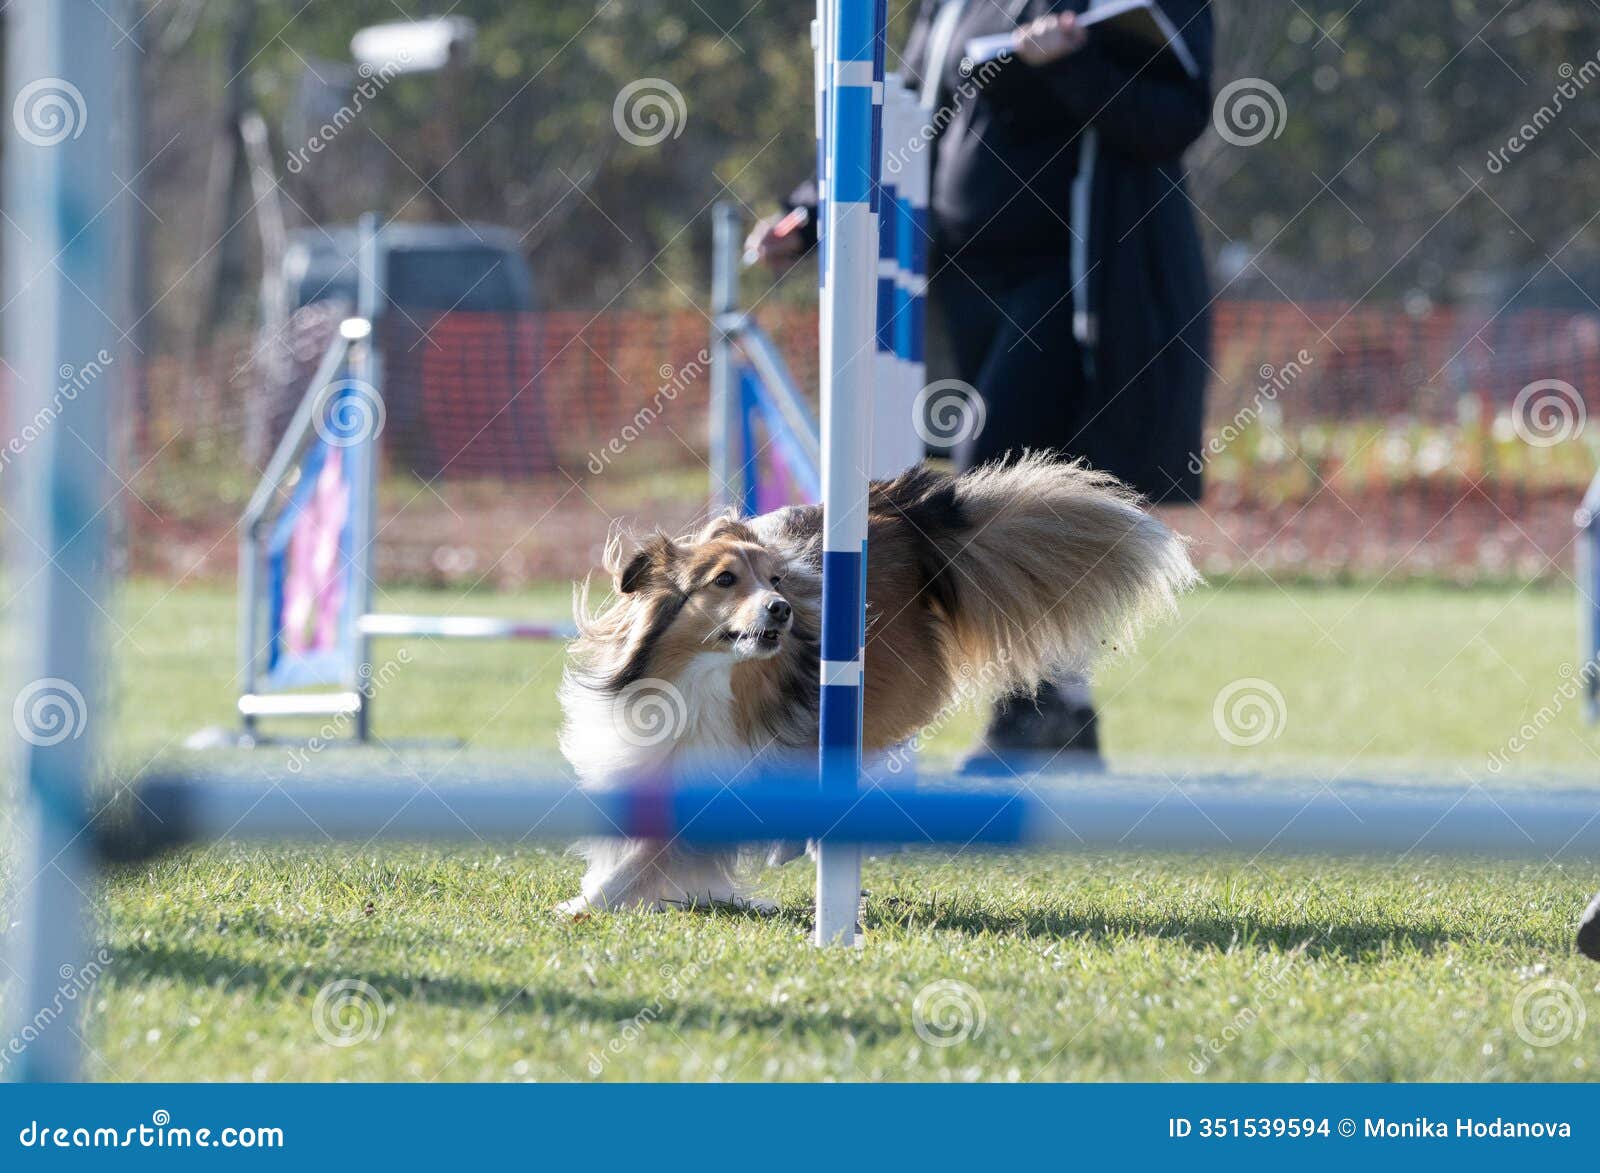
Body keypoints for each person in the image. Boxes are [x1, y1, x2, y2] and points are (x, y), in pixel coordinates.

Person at [748, 0, 1213, 773]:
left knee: (997, 475)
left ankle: (1044, 704)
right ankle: (1052, 705)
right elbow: (903, 108)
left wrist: (1069, 63)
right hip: (961, 285)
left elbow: (1172, 120)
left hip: (1071, 281)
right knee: (984, 482)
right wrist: (811, 209)